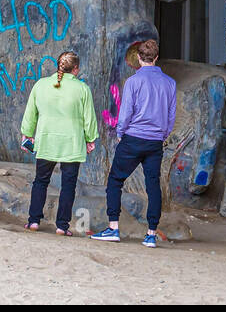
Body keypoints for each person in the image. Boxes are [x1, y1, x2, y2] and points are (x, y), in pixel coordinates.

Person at [90, 38, 176, 248]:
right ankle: (150, 234)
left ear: (138, 58)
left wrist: (121, 132)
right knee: (153, 185)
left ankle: (113, 228)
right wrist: (162, 135)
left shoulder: (133, 82)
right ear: (156, 58)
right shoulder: (170, 83)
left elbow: (126, 111)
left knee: (115, 180)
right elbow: (171, 115)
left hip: (133, 138)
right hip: (155, 141)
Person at [20, 50, 98, 235]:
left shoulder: (41, 85)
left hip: (47, 140)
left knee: (40, 181)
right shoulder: (82, 89)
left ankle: (33, 221)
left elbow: (31, 113)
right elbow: (89, 118)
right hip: (71, 143)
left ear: (58, 66)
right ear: (76, 69)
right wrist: (90, 139)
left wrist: (27, 134)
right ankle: (62, 226)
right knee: (68, 185)